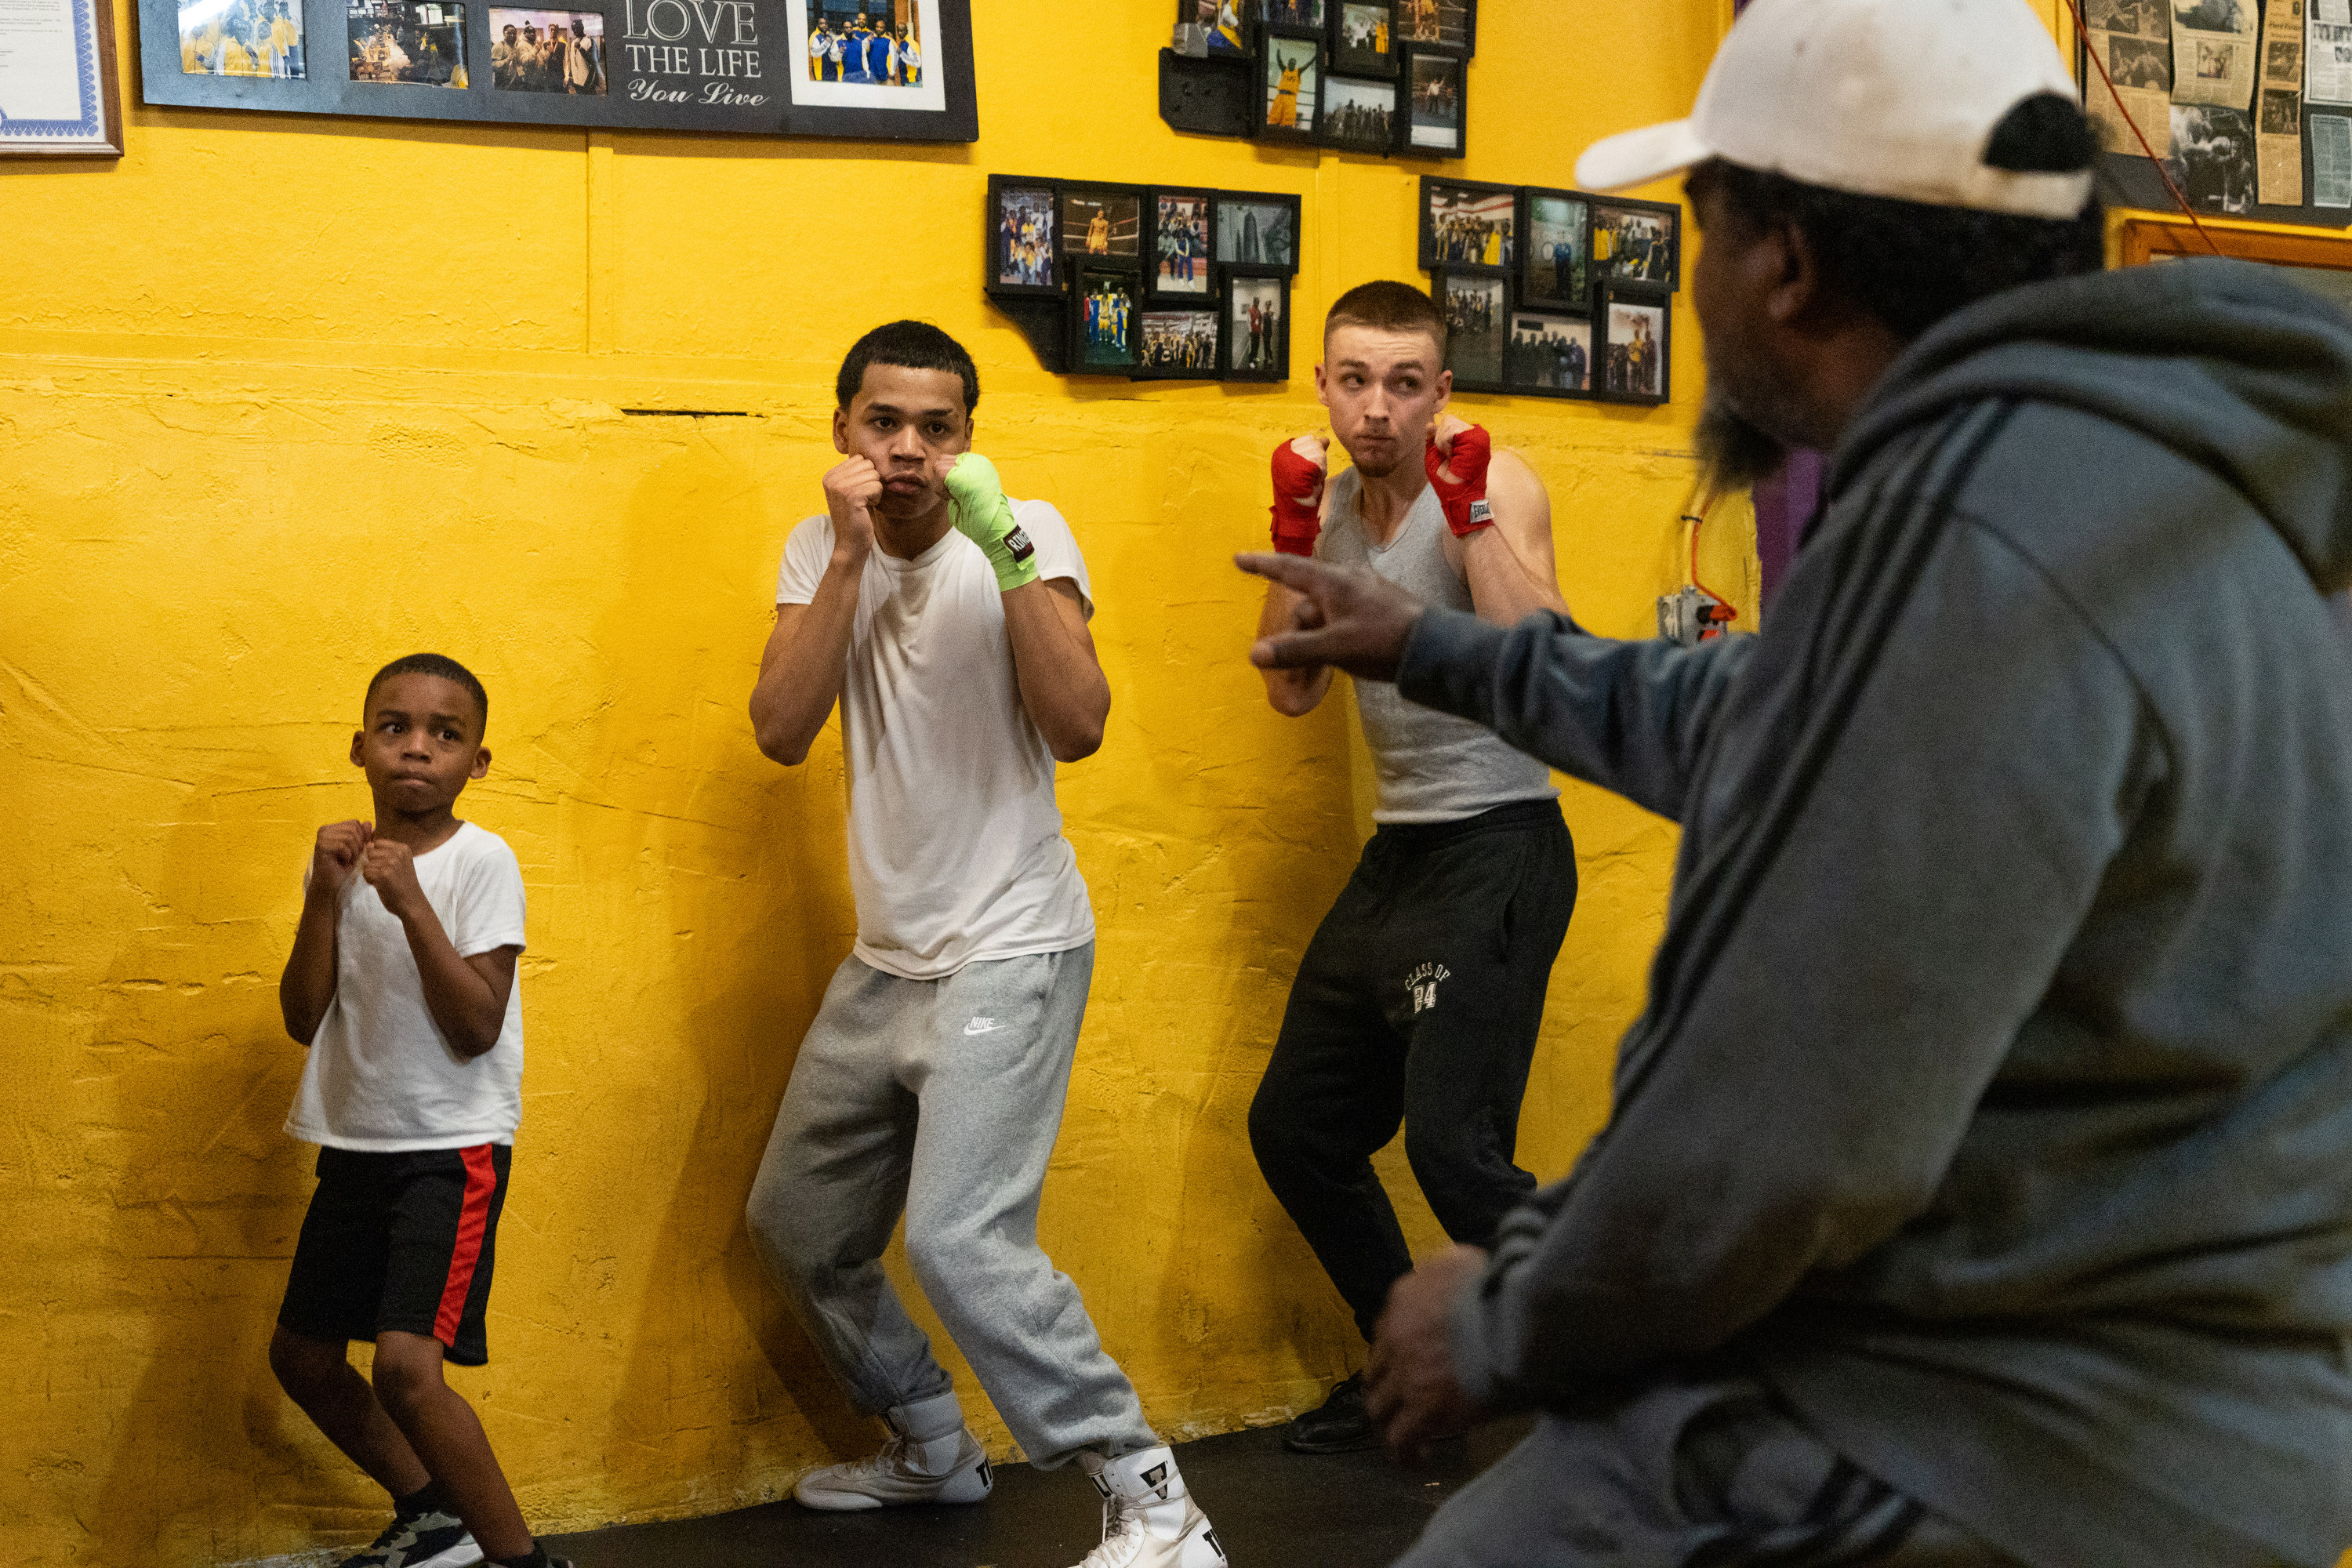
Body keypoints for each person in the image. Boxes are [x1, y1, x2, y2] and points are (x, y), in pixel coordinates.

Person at [1238, 0, 2352, 1563]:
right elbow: (1761, 716)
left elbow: (1786, 1127)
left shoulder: (1981, 525)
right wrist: (1434, 650)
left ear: (1787, 262)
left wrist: (1497, 1318)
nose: (1692, 280)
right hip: (2234, 1439)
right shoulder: (2182, 477)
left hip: (1988, 1439)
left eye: (1700, 225)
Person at [744, 323, 1226, 1568]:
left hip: (1012, 943)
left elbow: (1080, 727)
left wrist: (1002, 536)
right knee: (798, 1225)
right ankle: (928, 1443)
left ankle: (1152, 1495)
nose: (907, 450)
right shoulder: (818, 549)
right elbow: (782, 730)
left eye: (936, 429)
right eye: (882, 424)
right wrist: (848, 556)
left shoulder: (1024, 534)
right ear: (841, 430)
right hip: (889, 960)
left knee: (961, 1238)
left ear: (968, 442)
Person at [1247, 280, 1577, 1455]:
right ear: (1324, 384)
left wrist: (1474, 512)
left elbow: (1541, 672)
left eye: (1402, 382)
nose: (1376, 407)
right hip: (1401, 853)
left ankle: (1629, 1384)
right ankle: (1408, 1376)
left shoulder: (1493, 482)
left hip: (1501, 842)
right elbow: (1293, 690)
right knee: (1296, 1128)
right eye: (1353, 379)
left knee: (1454, 1151)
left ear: (1442, 392)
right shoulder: (1327, 505)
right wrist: (1294, 548)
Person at [267, 655, 573, 1568]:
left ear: (477, 760)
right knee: (304, 1357)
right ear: (360, 746)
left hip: (450, 1150)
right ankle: (430, 1512)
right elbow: (300, 1014)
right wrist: (328, 893)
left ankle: (519, 1559)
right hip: (356, 1140)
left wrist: (410, 905)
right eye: (395, 727)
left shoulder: (483, 860)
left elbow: (478, 1023)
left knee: (406, 1366)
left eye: (446, 734)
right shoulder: (344, 862)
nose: (417, 748)